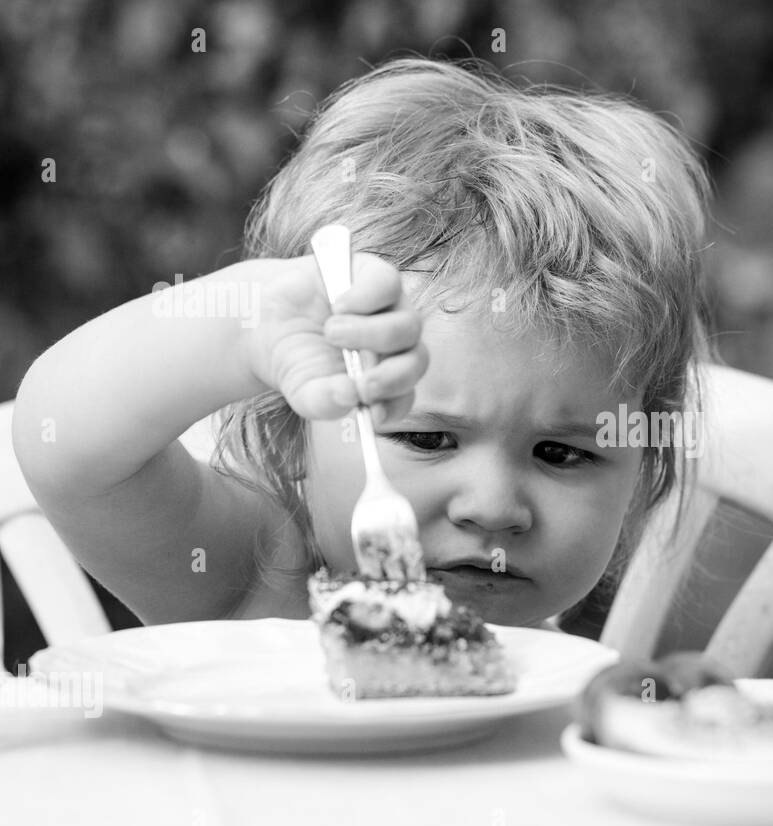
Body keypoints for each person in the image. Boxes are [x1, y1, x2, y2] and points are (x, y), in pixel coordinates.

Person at [13, 56, 715, 633]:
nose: (494, 507)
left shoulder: (564, 669)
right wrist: (246, 324)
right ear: (289, 433)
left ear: (642, 474)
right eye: (428, 438)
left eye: (563, 454)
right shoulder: (250, 582)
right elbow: (67, 447)